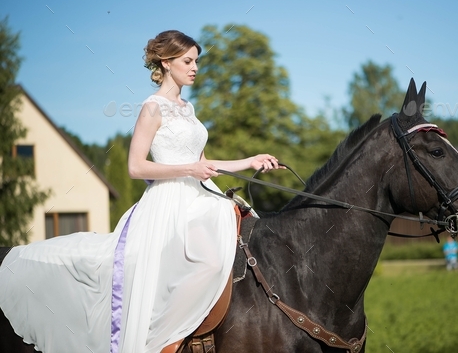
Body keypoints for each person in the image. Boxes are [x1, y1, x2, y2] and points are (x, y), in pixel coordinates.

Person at [0, 30, 283, 353]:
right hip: (169, 202)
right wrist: (188, 170)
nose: (195, 68)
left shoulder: (187, 108)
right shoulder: (153, 107)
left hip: (199, 193)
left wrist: (250, 161)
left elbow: (203, 162)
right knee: (207, 262)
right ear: (166, 62)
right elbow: (136, 167)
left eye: (197, 61)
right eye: (188, 61)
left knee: (237, 234)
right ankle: (165, 340)